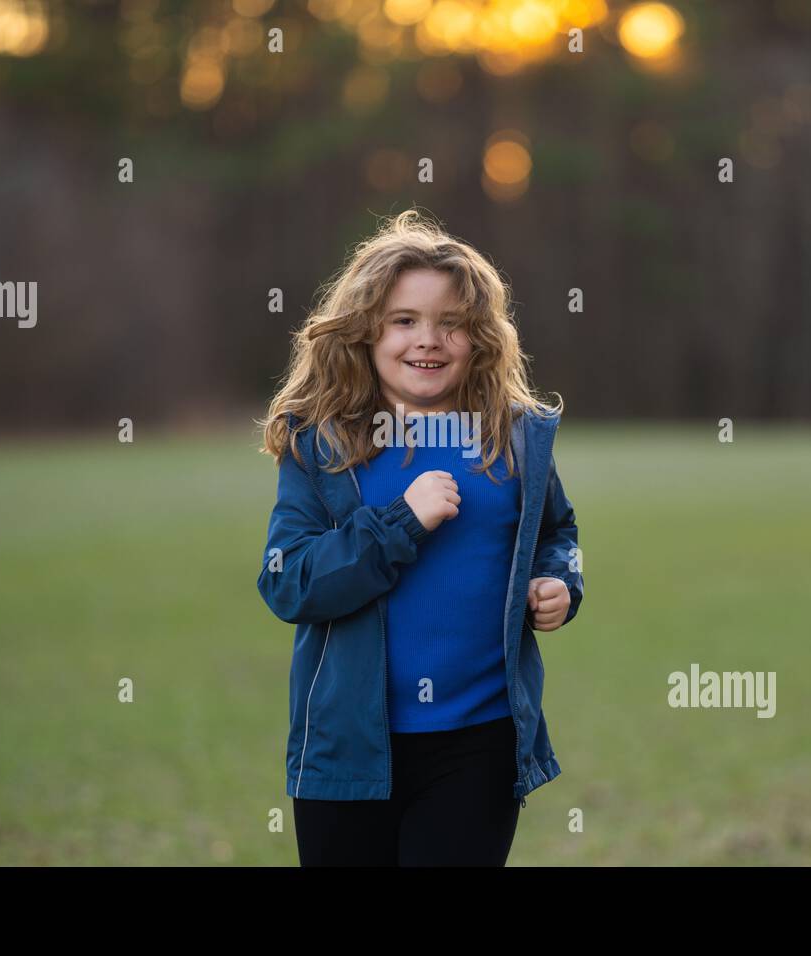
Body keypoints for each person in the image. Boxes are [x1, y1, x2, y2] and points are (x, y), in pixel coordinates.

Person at [256, 209, 584, 866]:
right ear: (366, 331)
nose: (427, 340)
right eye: (405, 320)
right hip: (347, 749)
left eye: (451, 324)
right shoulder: (321, 443)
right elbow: (288, 582)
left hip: (478, 746)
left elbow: (558, 531)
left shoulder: (515, 439)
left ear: (480, 337)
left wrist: (561, 583)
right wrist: (401, 522)